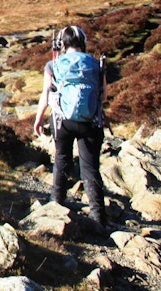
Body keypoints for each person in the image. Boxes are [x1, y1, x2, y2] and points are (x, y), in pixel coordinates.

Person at [33, 25, 108, 229]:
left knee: (62, 159)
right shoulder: (96, 64)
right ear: (83, 43)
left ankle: (57, 202)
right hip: (92, 122)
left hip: (62, 122)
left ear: (63, 44)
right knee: (91, 167)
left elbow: (46, 94)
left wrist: (38, 119)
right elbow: (104, 95)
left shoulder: (53, 65)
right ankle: (98, 217)